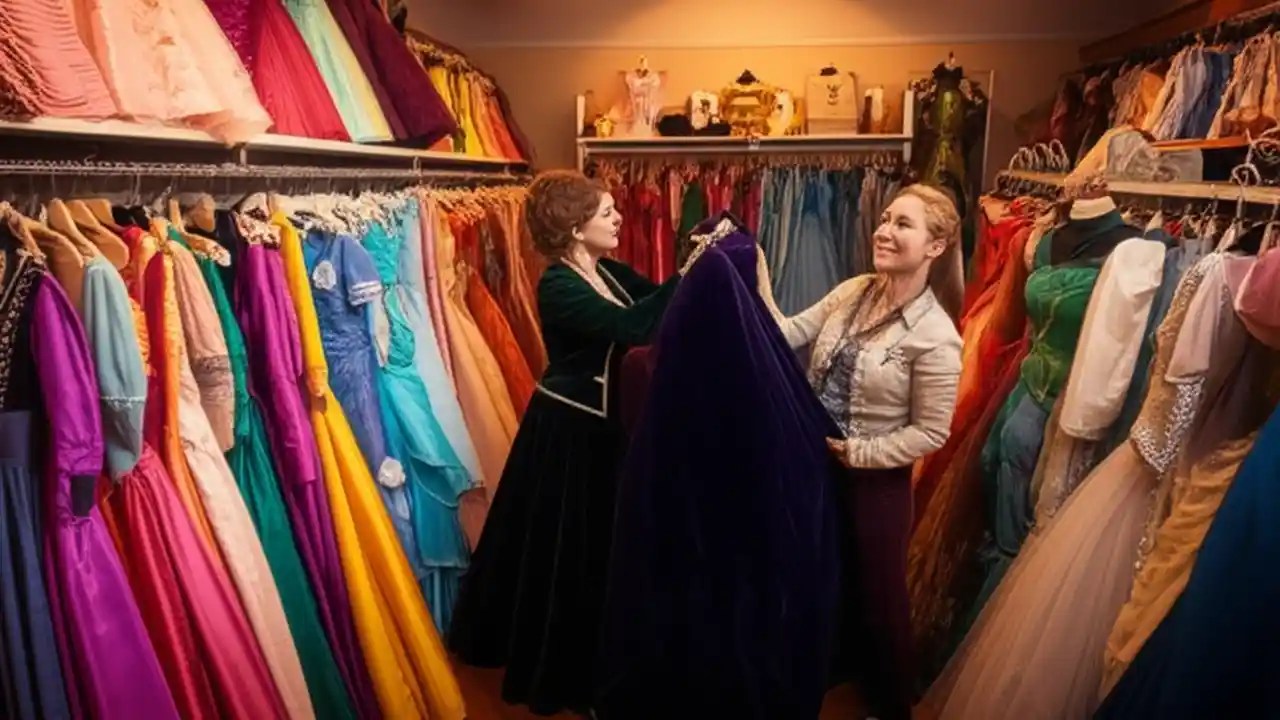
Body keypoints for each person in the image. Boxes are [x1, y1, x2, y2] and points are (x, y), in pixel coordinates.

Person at [447, 169, 680, 716]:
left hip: (600, 427)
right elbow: (636, 326)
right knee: (572, 552)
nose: (618, 218)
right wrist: (694, 269)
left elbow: (652, 300)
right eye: (605, 213)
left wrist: (698, 271)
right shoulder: (558, 285)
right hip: (570, 434)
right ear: (576, 228)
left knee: (593, 550)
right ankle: (570, 668)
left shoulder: (602, 270)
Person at [766, 183, 964, 720]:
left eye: (903, 224)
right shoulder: (853, 290)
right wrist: (751, 272)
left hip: (875, 484)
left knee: (881, 601)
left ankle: (893, 704)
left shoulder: (936, 335)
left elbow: (931, 432)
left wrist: (859, 453)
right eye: (885, 218)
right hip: (815, 469)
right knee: (821, 579)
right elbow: (786, 333)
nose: (884, 230)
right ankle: (830, 676)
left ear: (936, 246)